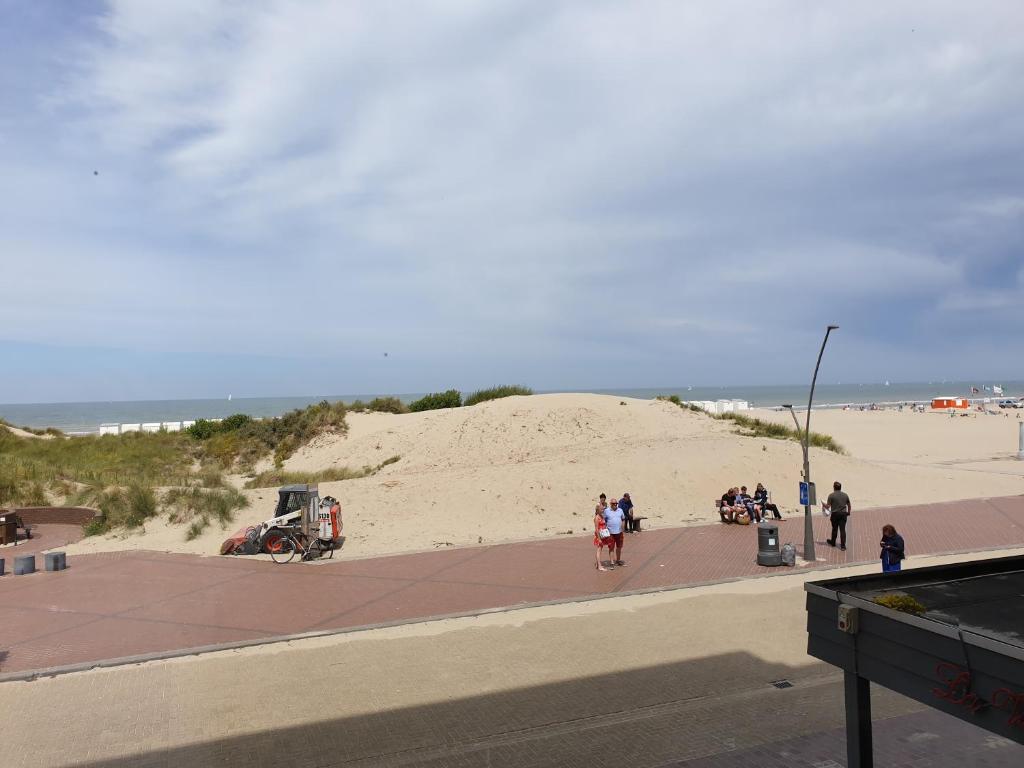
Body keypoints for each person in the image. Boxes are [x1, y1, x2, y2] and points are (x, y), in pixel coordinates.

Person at [823, 481, 852, 550]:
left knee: (834, 529)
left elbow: (828, 506)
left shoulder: (831, 495)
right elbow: (849, 504)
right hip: (843, 514)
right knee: (842, 530)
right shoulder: (845, 495)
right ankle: (843, 546)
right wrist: (848, 512)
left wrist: (823, 504)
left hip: (835, 514)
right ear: (840, 487)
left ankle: (833, 542)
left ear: (834, 488)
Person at [604, 498, 627, 566]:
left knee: (619, 547)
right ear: (610, 504)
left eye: (616, 504)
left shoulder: (620, 510)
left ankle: (618, 560)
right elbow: (604, 520)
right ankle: (612, 562)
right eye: (613, 504)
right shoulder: (606, 511)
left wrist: (623, 527)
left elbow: (623, 519)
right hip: (610, 533)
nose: (615, 505)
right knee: (611, 547)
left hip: (619, 532)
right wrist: (605, 529)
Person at [593, 504, 612, 571]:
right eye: (601, 509)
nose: (603, 510)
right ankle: (599, 566)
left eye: (603, 509)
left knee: (600, 549)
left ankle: (598, 564)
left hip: (603, 535)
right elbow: (596, 529)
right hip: (599, 536)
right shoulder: (597, 518)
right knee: (599, 550)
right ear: (598, 510)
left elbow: (604, 525)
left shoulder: (602, 516)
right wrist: (599, 539)